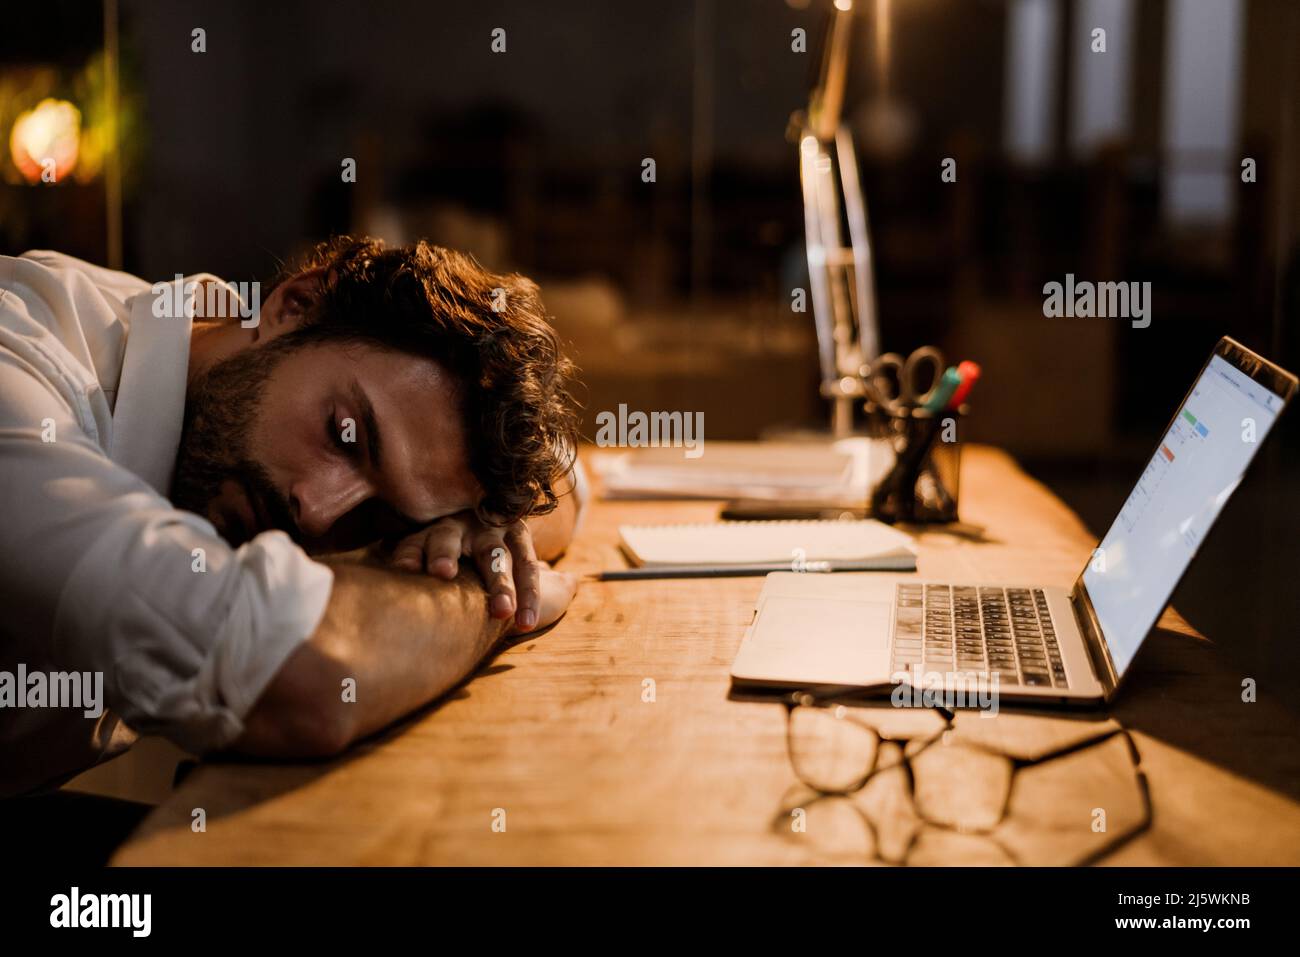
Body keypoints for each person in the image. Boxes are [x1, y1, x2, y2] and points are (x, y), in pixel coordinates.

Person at [0, 237, 584, 799]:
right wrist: (493, 598)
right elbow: (302, 682)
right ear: (293, 305)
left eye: (383, 516)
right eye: (344, 435)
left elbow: (566, 483)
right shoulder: (24, 369)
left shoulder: (215, 344)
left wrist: (483, 533)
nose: (318, 513)